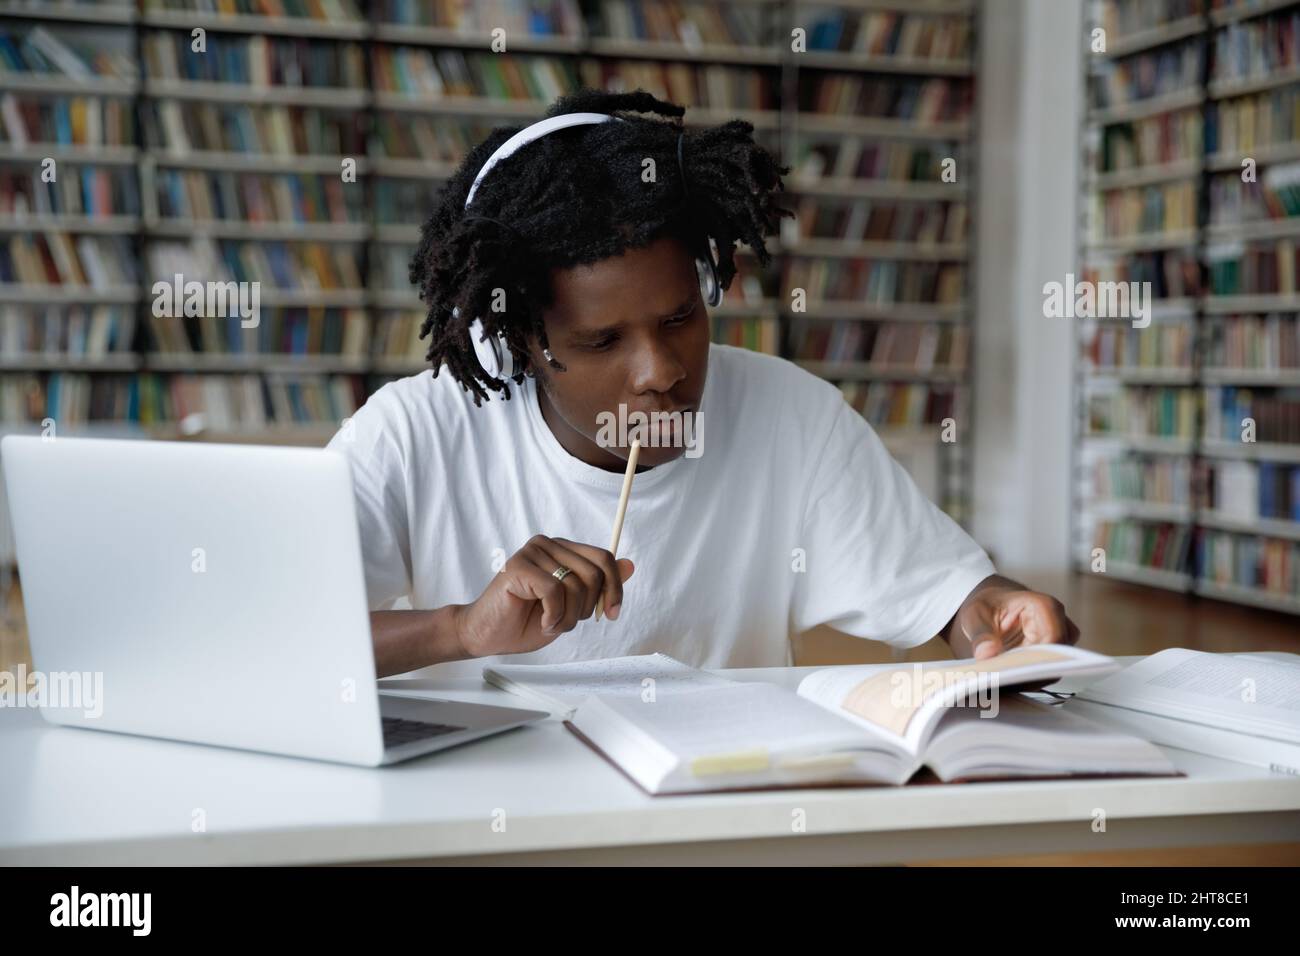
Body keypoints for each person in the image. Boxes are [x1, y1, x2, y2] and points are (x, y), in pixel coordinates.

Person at [327, 89, 1079, 679]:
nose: (662, 372)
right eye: (601, 341)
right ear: (521, 340)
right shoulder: (413, 434)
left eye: (681, 316)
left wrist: (995, 613)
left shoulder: (793, 417)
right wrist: (459, 629)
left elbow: (946, 597)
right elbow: (269, 639)